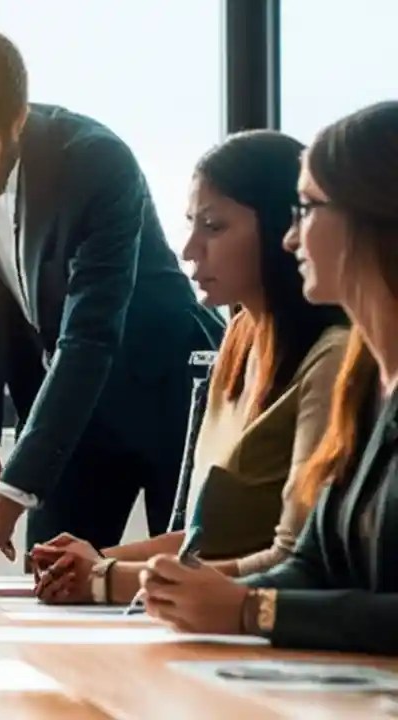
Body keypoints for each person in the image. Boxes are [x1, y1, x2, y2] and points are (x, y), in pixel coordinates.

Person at [0, 22, 224, 577]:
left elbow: (90, 334)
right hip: (72, 405)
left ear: (16, 122)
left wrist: (7, 502)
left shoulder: (97, 161)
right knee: (49, 580)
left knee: (178, 584)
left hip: (168, 389)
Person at [28, 130, 350, 605]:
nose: (189, 249)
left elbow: (294, 561)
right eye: (190, 225)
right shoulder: (238, 342)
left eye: (214, 227)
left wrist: (106, 577)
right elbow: (202, 539)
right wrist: (92, 558)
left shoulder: (332, 359)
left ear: (285, 227)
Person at [140, 101, 398, 655]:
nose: (290, 238)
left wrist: (248, 610)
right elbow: (312, 562)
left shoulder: (335, 366)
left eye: (306, 210)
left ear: (373, 217)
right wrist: (200, 596)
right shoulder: (365, 384)